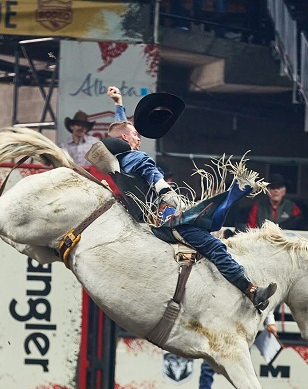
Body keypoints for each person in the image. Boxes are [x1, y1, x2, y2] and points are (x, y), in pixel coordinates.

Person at [102, 88, 277, 312]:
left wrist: (119, 104)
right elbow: (152, 174)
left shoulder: (118, 161)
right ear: (126, 138)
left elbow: (119, 133)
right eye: (135, 135)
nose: (139, 137)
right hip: (166, 220)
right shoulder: (138, 157)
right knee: (215, 246)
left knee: (211, 223)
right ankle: (252, 291)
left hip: (151, 220)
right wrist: (167, 194)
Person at [196, 313, 277, 389]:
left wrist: (270, 321)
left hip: (240, 331)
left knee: (243, 373)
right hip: (218, 329)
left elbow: (265, 299)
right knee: (208, 370)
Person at [234, 173, 303, 232]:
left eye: (279, 188)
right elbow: (250, 228)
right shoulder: (258, 206)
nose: (276, 191)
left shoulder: (292, 207)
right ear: (267, 191)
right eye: (272, 188)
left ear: (284, 191)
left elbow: (300, 229)